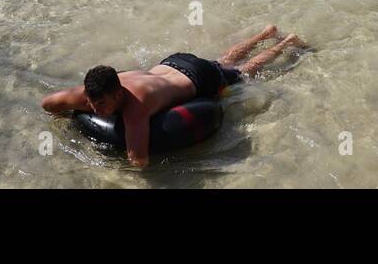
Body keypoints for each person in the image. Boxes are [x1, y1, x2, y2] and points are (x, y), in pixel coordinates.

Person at [40, 26, 305, 168]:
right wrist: (72, 112)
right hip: (175, 62)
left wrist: (103, 163)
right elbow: (48, 103)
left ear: (119, 93)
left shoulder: (135, 109)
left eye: (102, 104)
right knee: (223, 60)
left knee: (243, 72)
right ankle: (266, 32)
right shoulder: (98, 91)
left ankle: (286, 42)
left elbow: (139, 162)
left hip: (199, 79)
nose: (95, 110)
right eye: (92, 103)